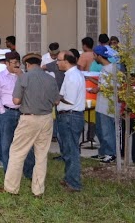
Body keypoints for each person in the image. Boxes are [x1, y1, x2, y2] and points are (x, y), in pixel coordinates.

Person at [2, 53, 59, 198]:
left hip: (28, 119)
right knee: (41, 155)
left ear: (27, 65)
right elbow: (56, 101)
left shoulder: (24, 77)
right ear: (40, 63)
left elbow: (15, 101)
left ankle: (11, 188)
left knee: (17, 153)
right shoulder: (50, 79)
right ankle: (38, 190)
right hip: (46, 119)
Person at [0, 52, 32, 175]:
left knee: (24, 142)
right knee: (6, 143)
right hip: (7, 113)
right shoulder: (0, 77)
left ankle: (27, 170)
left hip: (22, 113)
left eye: (18, 62)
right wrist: (3, 111)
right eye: (14, 62)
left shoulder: (23, 76)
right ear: (7, 63)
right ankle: (9, 172)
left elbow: (30, 92)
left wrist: (21, 76)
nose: (16, 65)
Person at [55, 51, 85, 192]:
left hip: (70, 117)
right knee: (67, 148)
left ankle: (74, 183)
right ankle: (69, 178)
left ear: (66, 61)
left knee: (71, 150)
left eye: (59, 60)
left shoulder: (73, 77)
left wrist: (57, 98)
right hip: (69, 116)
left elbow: (70, 99)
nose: (56, 62)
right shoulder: (71, 75)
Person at [90, 45, 117, 163]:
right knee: (100, 130)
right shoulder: (104, 69)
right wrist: (91, 80)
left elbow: (114, 86)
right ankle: (103, 152)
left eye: (94, 55)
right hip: (101, 103)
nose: (93, 57)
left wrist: (98, 89)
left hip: (108, 105)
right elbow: (103, 84)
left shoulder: (112, 69)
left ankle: (111, 153)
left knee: (107, 130)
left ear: (99, 56)